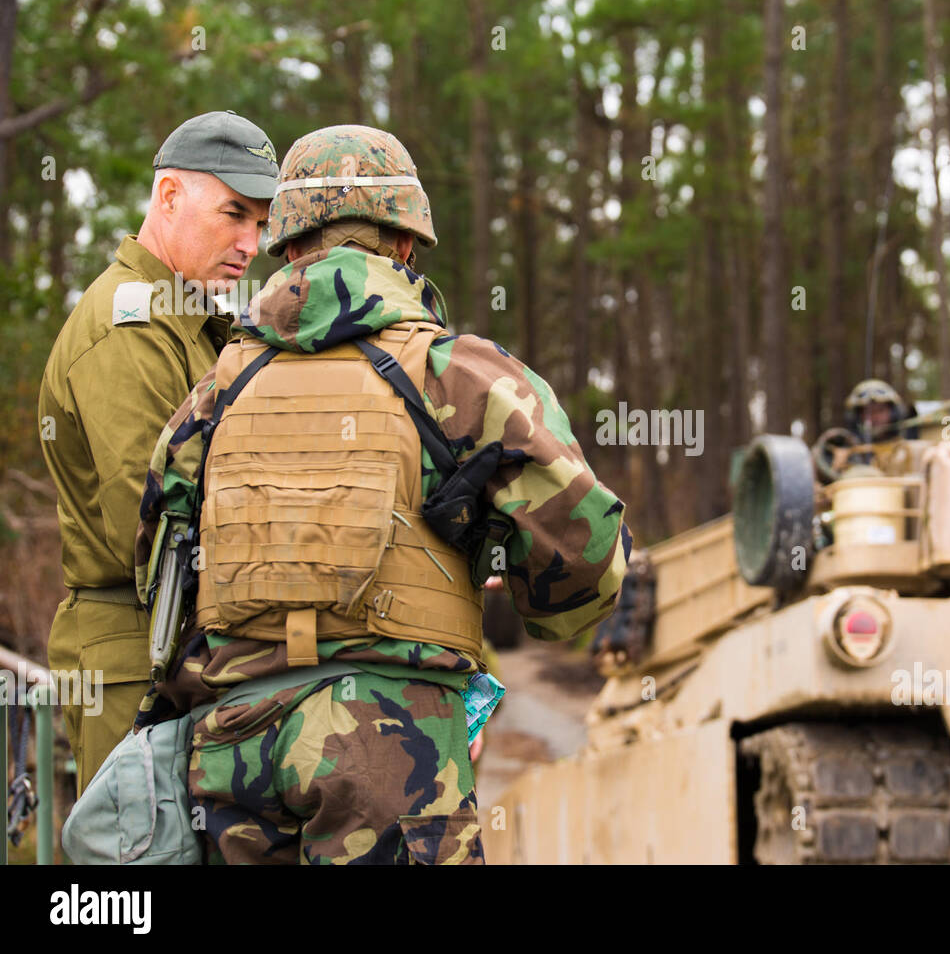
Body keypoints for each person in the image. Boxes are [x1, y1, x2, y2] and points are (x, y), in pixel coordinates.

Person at [133, 124, 632, 864]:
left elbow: (159, 579)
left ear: (289, 245)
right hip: (390, 753)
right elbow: (587, 571)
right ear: (405, 245)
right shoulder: (461, 375)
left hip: (232, 757)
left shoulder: (213, 394)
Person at [38, 110, 277, 794]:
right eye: (234, 214)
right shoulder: (130, 325)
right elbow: (153, 526)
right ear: (168, 197)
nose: (250, 243)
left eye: (260, 225)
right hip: (137, 664)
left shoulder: (193, 323)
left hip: (183, 651)